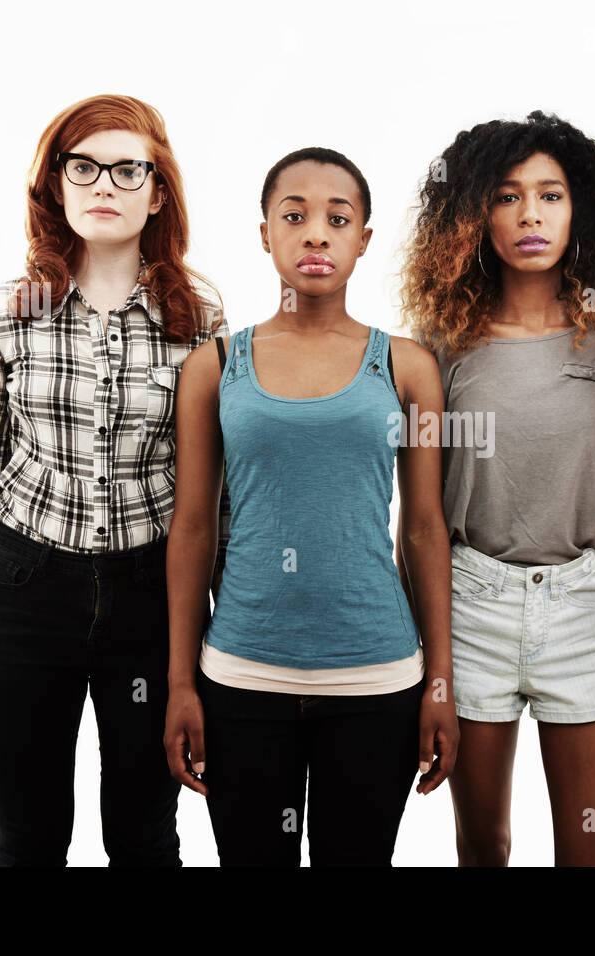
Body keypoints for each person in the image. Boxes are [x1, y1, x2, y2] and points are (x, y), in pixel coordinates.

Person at [0, 94, 227, 866]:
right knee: (25, 840)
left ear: (158, 192)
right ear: (56, 185)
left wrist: (223, 628)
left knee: (144, 837)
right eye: (82, 167)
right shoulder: (7, 312)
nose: (104, 185)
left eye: (127, 169)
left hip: (152, 602)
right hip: (21, 596)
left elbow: (212, 490)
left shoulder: (202, 318)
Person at [163, 147, 457, 866]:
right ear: (265, 233)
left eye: (337, 218)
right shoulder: (215, 364)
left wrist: (440, 685)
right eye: (294, 216)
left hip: (378, 679)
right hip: (240, 677)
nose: (315, 234)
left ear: (363, 238)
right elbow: (194, 526)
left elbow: (422, 531)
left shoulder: (410, 367)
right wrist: (179, 682)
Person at [397, 111, 595, 865]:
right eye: (508, 197)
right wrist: (428, 659)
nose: (530, 215)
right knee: (484, 846)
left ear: (583, 212)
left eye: (550, 195)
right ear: (476, 216)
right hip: (471, 610)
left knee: (587, 852)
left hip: (586, 609)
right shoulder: (437, 352)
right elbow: (415, 518)